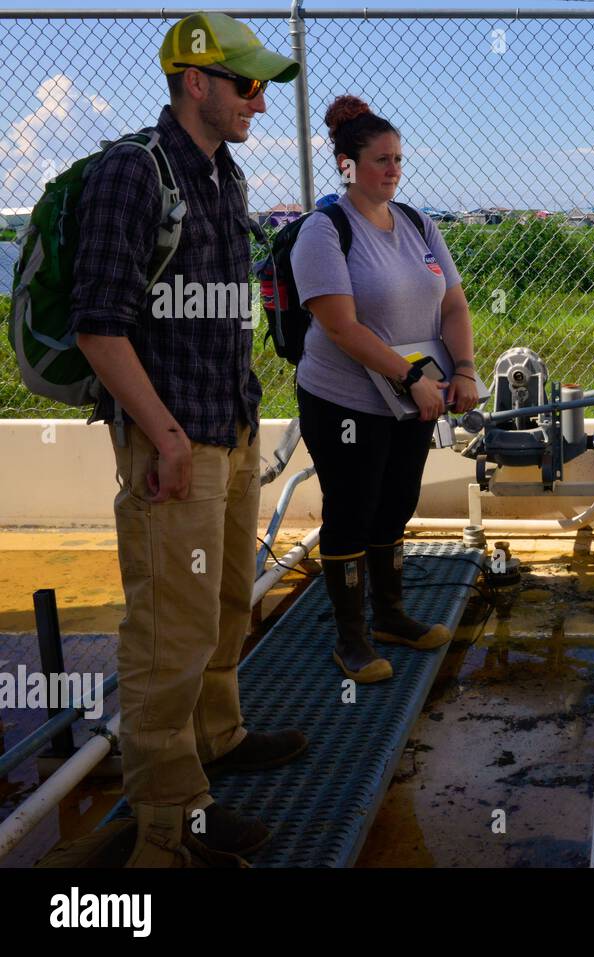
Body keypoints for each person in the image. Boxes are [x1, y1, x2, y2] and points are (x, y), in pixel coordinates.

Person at [72, 12, 308, 867]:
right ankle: (172, 819)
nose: (259, 101)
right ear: (194, 82)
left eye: (262, 86)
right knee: (168, 631)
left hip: (227, 429)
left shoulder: (223, 176)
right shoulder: (132, 175)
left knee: (223, 603)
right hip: (174, 444)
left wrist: (240, 424)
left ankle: (219, 735)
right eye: (246, 84)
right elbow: (100, 325)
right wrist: (166, 439)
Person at [291, 95, 478, 685]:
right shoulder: (324, 232)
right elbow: (341, 326)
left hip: (413, 397)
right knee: (352, 509)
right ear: (347, 165)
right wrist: (413, 376)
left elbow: (452, 301)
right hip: (347, 399)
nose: (393, 171)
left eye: (398, 160)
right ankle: (351, 639)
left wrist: (466, 368)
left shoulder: (419, 224)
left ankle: (392, 615)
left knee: (396, 502)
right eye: (380, 161)